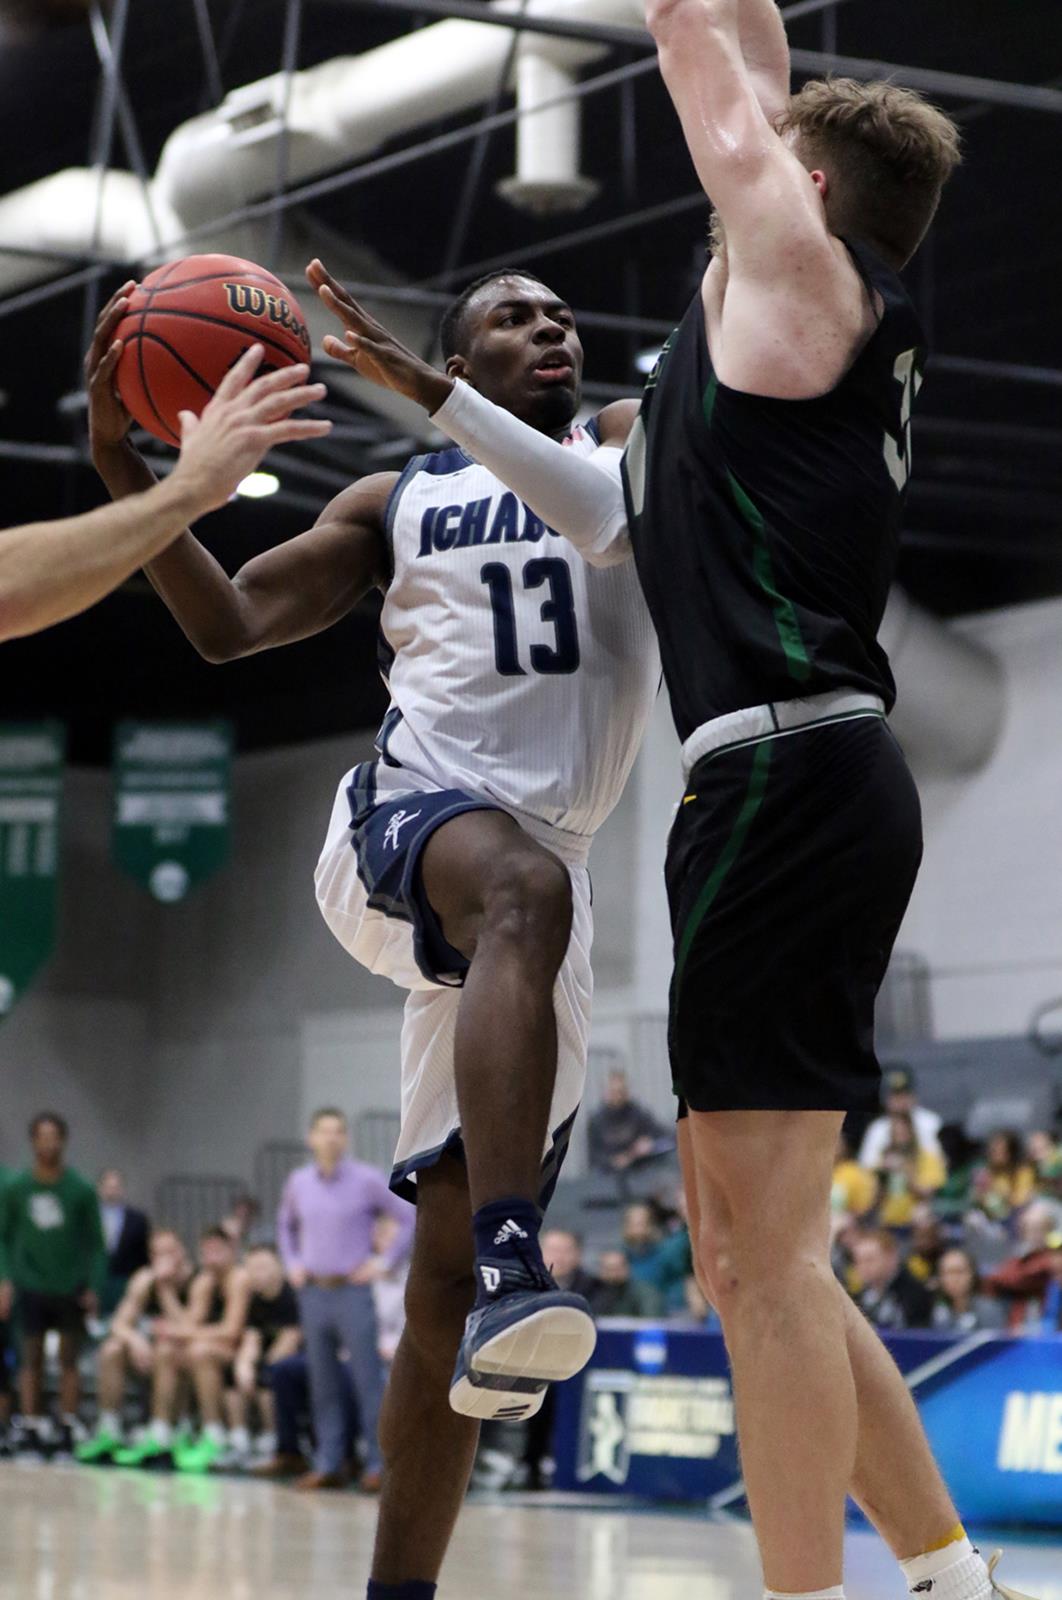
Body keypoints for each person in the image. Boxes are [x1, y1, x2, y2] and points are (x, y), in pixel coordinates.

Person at [86, 244, 657, 1593]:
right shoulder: (392, 497)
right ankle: (527, 1250)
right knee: (519, 885)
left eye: (562, 314)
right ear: (456, 366)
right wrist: (128, 470)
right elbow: (226, 627)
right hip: (404, 822)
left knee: (445, 1304)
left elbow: (684, 447)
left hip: (537, 909)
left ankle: (397, 1585)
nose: (550, 326)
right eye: (513, 318)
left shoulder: (626, 446)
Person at [0, 303, 330, 643]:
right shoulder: (375, 504)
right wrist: (188, 488)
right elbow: (233, 626)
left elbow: (232, 628)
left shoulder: (380, 500)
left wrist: (117, 456)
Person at [277, 1109, 414, 1492]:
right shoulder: (298, 1182)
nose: (332, 1138)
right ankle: (329, 1462)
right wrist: (292, 1263)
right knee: (323, 1383)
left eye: (338, 1132)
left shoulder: (366, 1180)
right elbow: (285, 1226)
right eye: (324, 1131)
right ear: (311, 1138)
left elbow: (407, 1216)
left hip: (353, 1291)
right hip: (314, 1292)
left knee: (367, 1380)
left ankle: (377, 1463)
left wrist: (384, 1262)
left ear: (346, 1139)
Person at [0, 1112, 106, 1457]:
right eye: (42, 1136)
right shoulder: (17, 1188)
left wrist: (93, 1285)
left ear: (64, 1140)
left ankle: (66, 1425)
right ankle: (31, 1425)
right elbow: (2, 1236)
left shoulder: (81, 1189)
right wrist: (5, 1279)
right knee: (29, 1357)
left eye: (54, 1136)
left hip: (68, 1285)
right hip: (29, 1283)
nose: (48, 1143)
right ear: (32, 1142)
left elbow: (96, 1243)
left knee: (68, 1359)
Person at [77, 1227, 195, 1465]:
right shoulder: (143, 1279)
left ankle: (162, 1431)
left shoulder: (196, 1280)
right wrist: (134, 1339)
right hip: (148, 1359)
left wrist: (164, 1290)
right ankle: (109, 1429)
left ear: (181, 1252)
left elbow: (189, 1330)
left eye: (169, 1252)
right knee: (112, 1349)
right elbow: (119, 1323)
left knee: (166, 1350)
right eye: (157, 1254)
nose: (164, 1259)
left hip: (185, 1362)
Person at [230, 1244, 302, 1466]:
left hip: (292, 1359)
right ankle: (238, 1436)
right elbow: (252, 1338)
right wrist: (244, 1365)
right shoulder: (256, 1300)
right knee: (234, 1375)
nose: (258, 1274)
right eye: (252, 1268)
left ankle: (274, 1437)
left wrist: (259, 1367)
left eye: (263, 1267)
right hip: (268, 1356)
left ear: (279, 1267)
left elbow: (289, 1341)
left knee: (269, 1377)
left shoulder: (291, 1296)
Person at [586, 1069, 675, 1178]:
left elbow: (668, 1137)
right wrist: (614, 1161)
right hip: (608, 1177)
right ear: (605, 1093)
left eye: (621, 1092)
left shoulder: (639, 1114)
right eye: (613, 1092)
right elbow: (593, 1157)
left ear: (627, 1092)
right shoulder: (596, 1120)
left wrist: (651, 1145)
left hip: (639, 1172)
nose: (617, 1097)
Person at [859, 1066, 944, 1169]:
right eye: (895, 1095)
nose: (900, 1100)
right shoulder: (877, 1129)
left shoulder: (931, 1122)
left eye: (904, 1094)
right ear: (887, 1099)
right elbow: (866, 1166)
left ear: (913, 1095)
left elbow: (940, 1161)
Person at [873, 1111, 947, 1230]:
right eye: (896, 1133)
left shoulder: (927, 1158)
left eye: (903, 1132)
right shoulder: (884, 1159)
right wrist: (882, 1176)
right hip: (888, 1221)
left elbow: (927, 1193)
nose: (900, 1137)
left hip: (914, 1223)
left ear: (912, 1132)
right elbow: (874, 1200)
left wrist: (906, 1172)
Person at [851, 1231, 933, 1333]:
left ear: (891, 1257)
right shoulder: (858, 1298)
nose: (863, 1267)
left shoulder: (916, 1294)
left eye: (869, 1260)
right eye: (858, 1261)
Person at [97, 1168, 151, 1315]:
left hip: (125, 1277)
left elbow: (143, 1253)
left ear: (122, 1189)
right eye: (108, 1187)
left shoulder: (137, 1219)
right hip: (98, 1278)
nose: (112, 1191)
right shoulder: (90, 1217)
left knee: (124, 1313)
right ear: (100, 1188)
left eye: (115, 1187)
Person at [931, 1249, 1007, 1335]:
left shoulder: (989, 1309)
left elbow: (998, 1346)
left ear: (972, 1274)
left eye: (959, 1272)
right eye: (947, 1273)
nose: (953, 1279)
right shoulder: (936, 1310)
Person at [970, 1131, 1038, 1224]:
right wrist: (979, 1196)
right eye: (992, 1150)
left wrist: (1003, 1196)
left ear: (1011, 1152)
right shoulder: (986, 1171)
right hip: (993, 1218)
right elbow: (979, 1199)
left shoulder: (1023, 1171)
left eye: (999, 1151)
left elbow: (1023, 1199)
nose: (994, 1154)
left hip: (1017, 1216)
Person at [588, 1251, 662, 1319]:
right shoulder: (593, 1291)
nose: (613, 1274)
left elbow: (651, 1319)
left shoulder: (644, 1292)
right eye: (608, 1269)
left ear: (627, 1269)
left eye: (617, 1269)